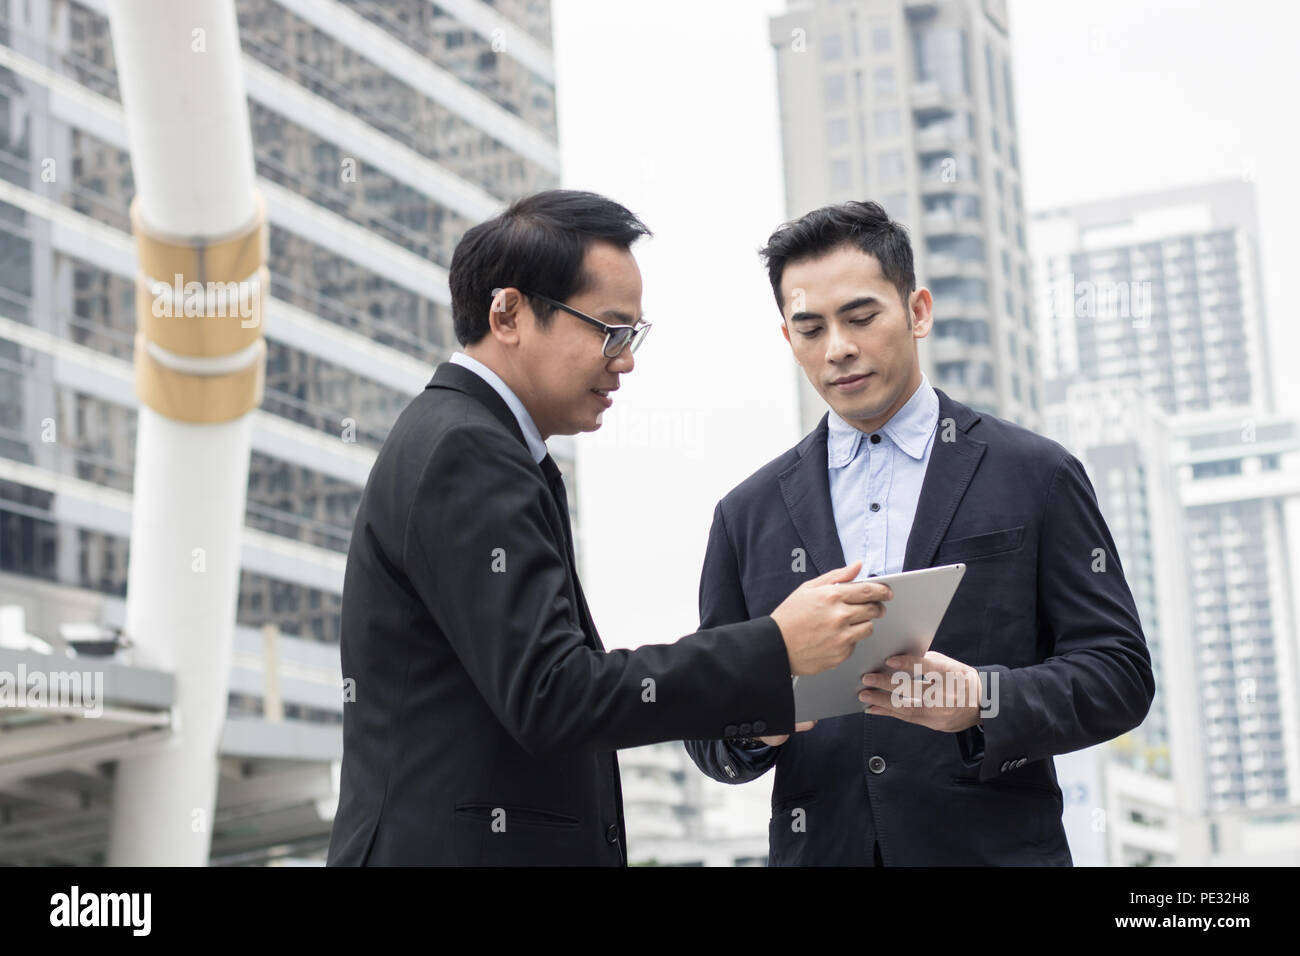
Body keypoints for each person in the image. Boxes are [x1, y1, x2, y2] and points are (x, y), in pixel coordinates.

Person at [326, 189, 892, 866]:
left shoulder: (475, 442)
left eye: (634, 335)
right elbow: (553, 694)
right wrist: (775, 645)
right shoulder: (467, 451)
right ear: (507, 313)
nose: (625, 360)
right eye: (609, 330)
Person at [683, 200, 1155, 865]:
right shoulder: (746, 514)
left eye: (861, 316)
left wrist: (981, 700)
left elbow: (1120, 677)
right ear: (788, 340)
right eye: (810, 327)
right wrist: (761, 718)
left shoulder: (1036, 474)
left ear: (918, 311)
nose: (838, 347)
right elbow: (708, 733)